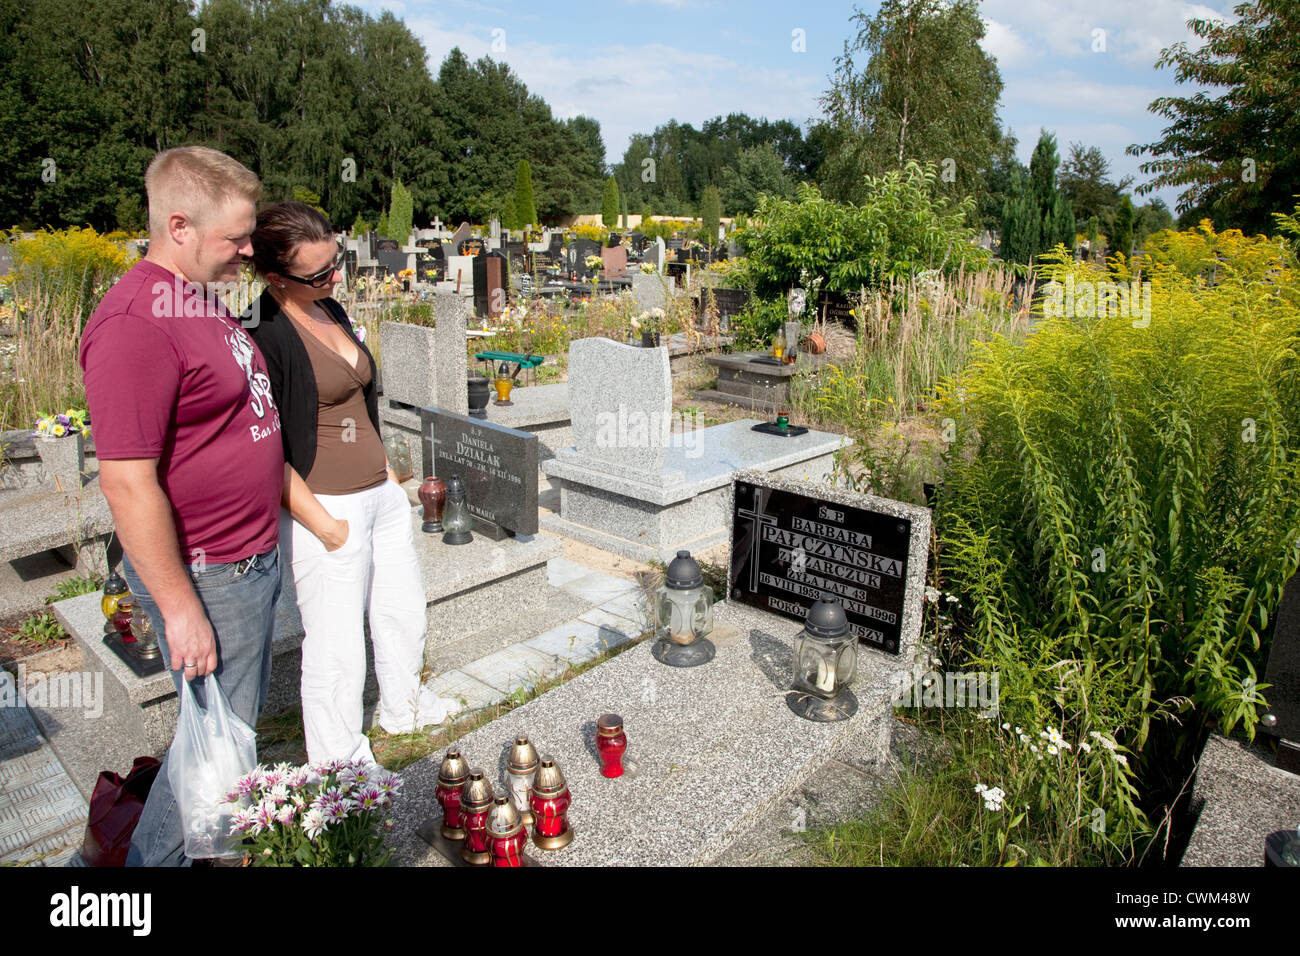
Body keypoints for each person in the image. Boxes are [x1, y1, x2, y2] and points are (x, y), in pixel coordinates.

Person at [80, 146, 284, 866]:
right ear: (179, 225)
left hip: (245, 563)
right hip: (208, 577)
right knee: (211, 757)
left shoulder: (190, 295)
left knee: (221, 741)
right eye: (234, 238)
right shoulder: (136, 323)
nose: (247, 251)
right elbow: (127, 482)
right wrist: (179, 606)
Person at [247, 201, 447, 766]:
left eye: (336, 264)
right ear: (273, 276)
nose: (335, 277)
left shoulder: (328, 307)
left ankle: (403, 706)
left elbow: (359, 396)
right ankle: (337, 759)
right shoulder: (262, 334)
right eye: (318, 273)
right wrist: (325, 526)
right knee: (335, 645)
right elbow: (265, 445)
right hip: (325, 505)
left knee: (402, 610)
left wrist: (385, 475)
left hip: (377, 494)